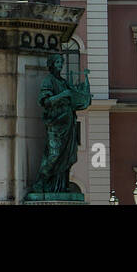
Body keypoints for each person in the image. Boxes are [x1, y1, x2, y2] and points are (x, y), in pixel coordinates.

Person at [30, 53, 91, 194]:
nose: (60, 65)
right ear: (52, 64)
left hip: (68, 121)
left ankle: (61, 186)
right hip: (56, 123)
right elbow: (45, 101)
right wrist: (63, 95)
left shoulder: (64, 82)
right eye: (57, 62)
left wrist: (82, 97)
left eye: (61, 62)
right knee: (54, 154)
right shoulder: (48, 81)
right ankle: (41, 182)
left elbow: (75, 99)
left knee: (68, 156)